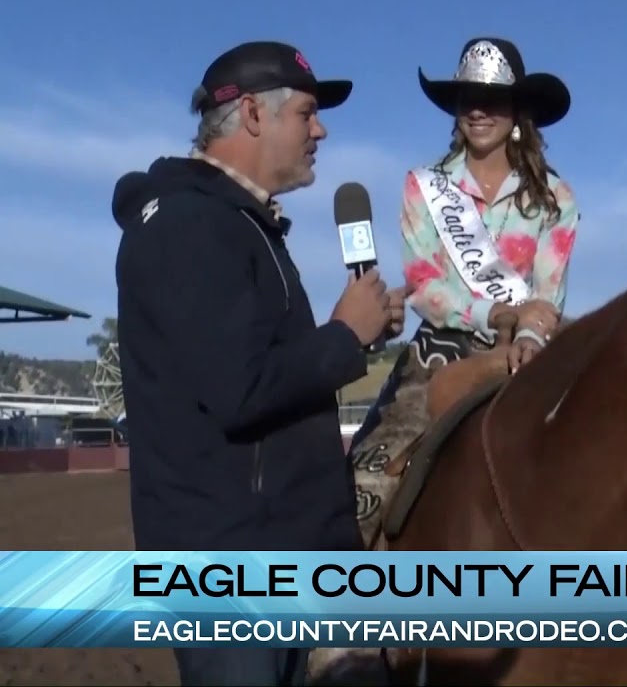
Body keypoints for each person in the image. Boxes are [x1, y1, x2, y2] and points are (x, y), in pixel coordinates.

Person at [112, 40, 405, 686]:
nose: (321, 128)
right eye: (307, 112)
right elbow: (239, 389)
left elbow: (253, 367)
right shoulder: (190, 225)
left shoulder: (237, 224)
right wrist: (343, 337)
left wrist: (353, 330)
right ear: (252, 114)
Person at [346, 36, 580, 550]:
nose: (478, 110)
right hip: (441, 352)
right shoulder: (424, 186)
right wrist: (495, 311)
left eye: (492, 99)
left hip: (534, 349)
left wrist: (531, 336)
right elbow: (426, 284)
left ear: (517, 110)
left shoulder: (556, 197)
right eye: (466, 97)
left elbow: (550, 291)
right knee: (365, 480)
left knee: (623, 455)